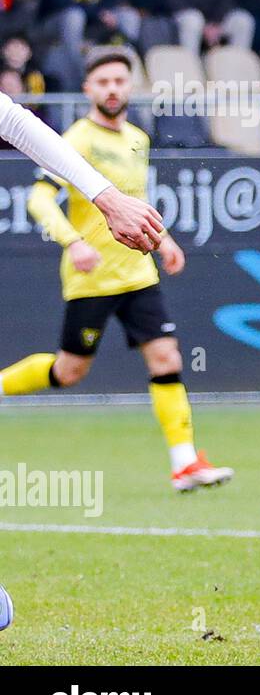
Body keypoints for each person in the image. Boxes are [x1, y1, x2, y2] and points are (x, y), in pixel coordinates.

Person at [0, 49, 223, 496]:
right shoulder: (75, 139)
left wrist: (164, 241)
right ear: (88, 89)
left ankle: (185, 462)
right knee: (69, 372)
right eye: (102, 82)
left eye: (120, 81)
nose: (112, 89)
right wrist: (73, 241)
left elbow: (134, 201)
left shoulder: (138, 138)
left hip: (138, 275)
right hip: (93, 278)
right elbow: (39, 200)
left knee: (167, 359)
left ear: (130, 87)